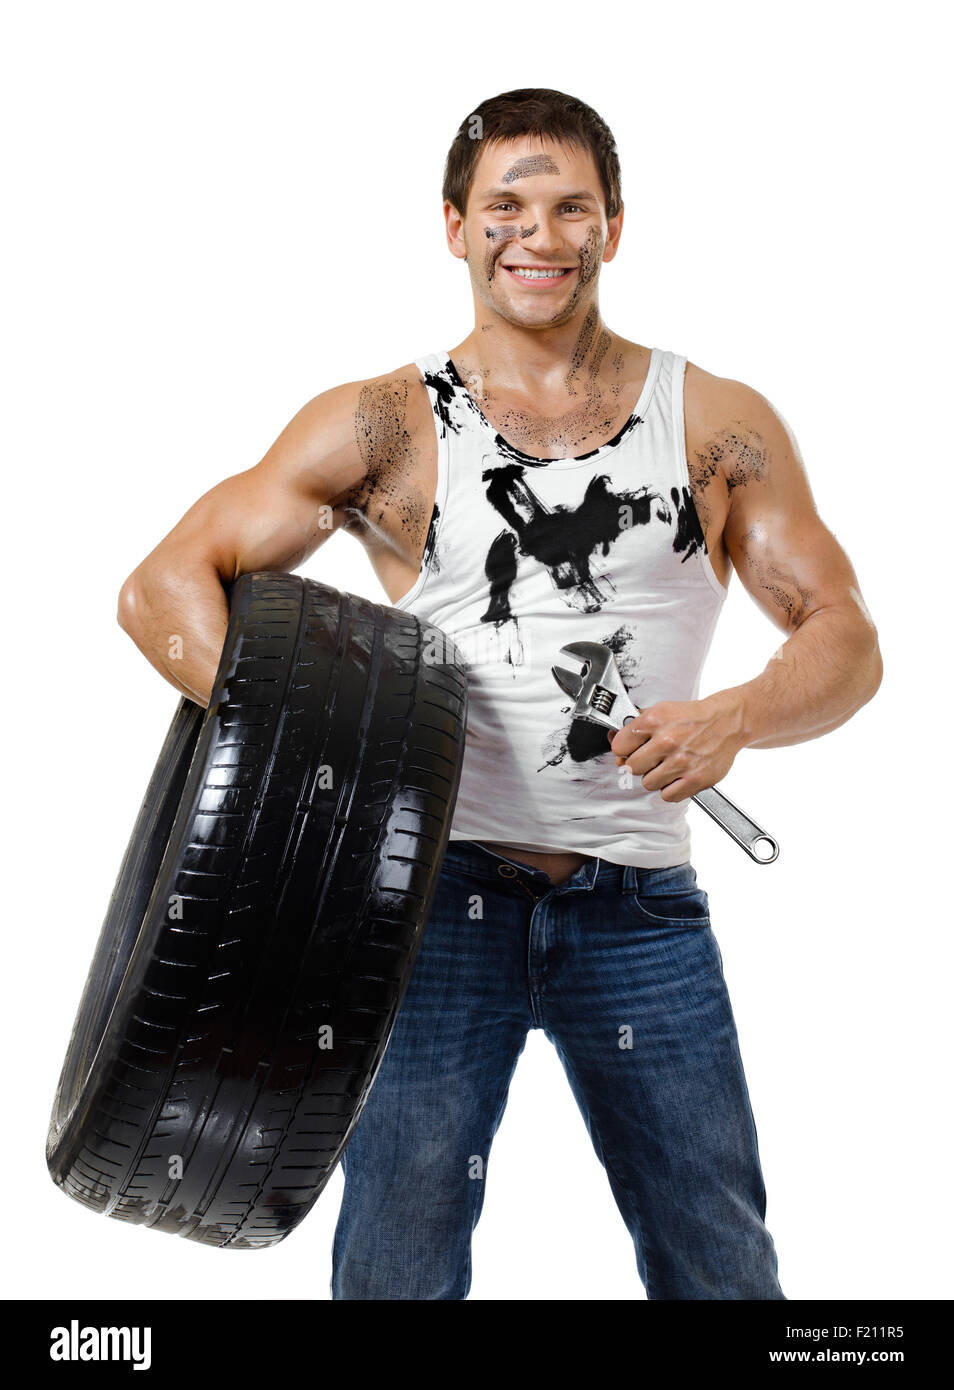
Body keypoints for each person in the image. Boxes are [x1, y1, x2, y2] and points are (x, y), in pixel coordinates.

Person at [117, 87, 883, 1300]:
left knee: (721, 1257)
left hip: (641, 911)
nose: (537, 233)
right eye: (506, 206)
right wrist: (331, 761)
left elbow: (846, 637)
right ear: (454, 224)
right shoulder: (385, 424)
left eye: (570, 207)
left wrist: (737, 713)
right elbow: (166, 586)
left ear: (612, 229)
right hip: (429, 909)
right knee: (399, 1259)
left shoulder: (717, 427)